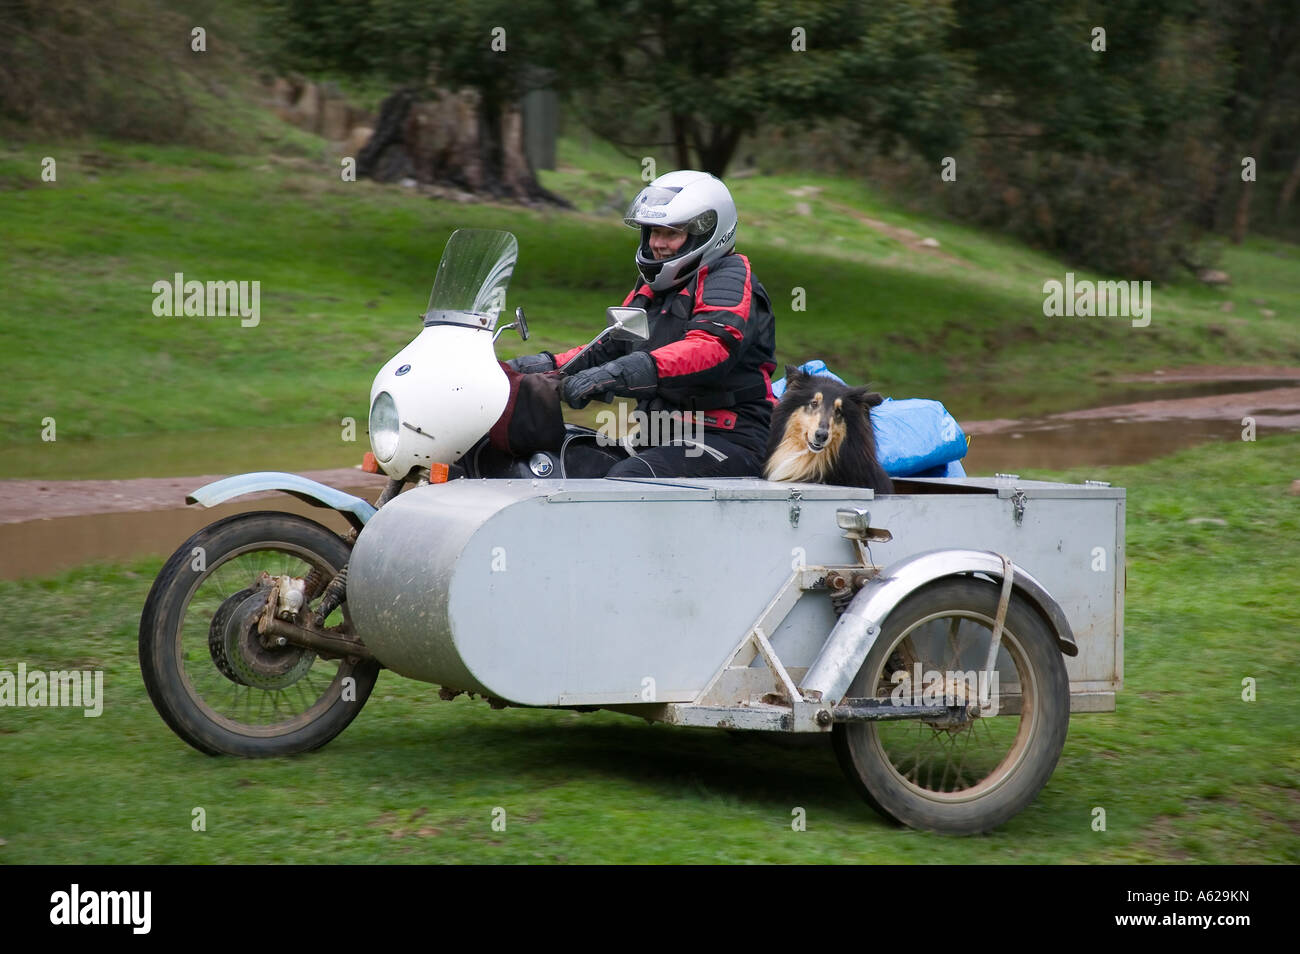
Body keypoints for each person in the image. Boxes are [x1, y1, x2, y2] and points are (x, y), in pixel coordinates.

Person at [509, 170, 777, 478]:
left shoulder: (728, 277)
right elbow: (606, 349)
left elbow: (711, 346)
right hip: (660, 434)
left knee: (628, 480)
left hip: (729, 438)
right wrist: (530, 367)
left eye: (670, 233)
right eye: (652, 232)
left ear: (706, 232)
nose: (657, 244)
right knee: (565, 463)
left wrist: (625, 371)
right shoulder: (652, 290)